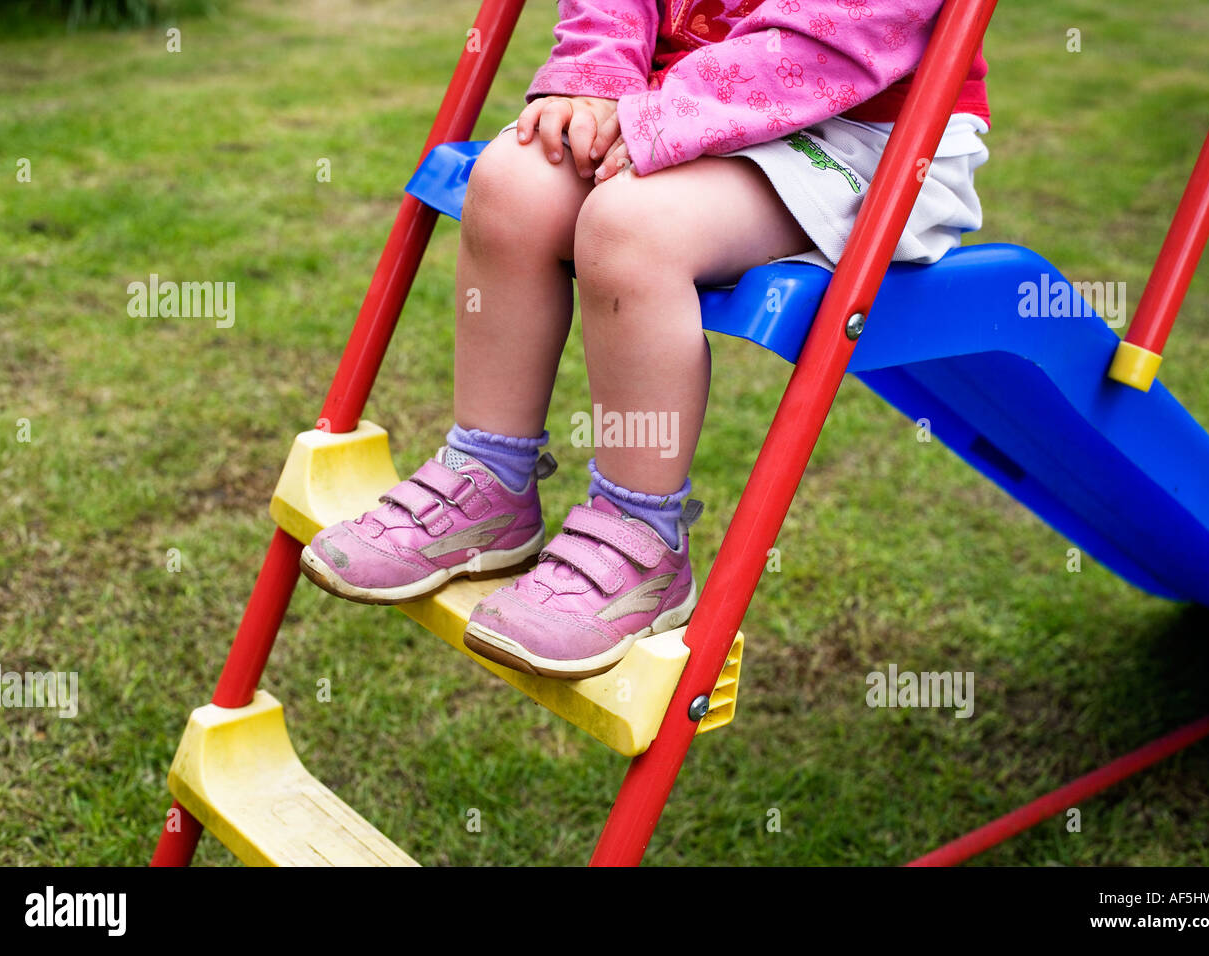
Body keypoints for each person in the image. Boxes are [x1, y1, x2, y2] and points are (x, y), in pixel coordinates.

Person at [301, 1, 990, 679]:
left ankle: (641, 537)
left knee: (630, 227)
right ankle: (491, 478)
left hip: (864, 131)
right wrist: (594, 83)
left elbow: (839, 34)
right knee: (511, 183)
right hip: (675, 93)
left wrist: (668, 117)